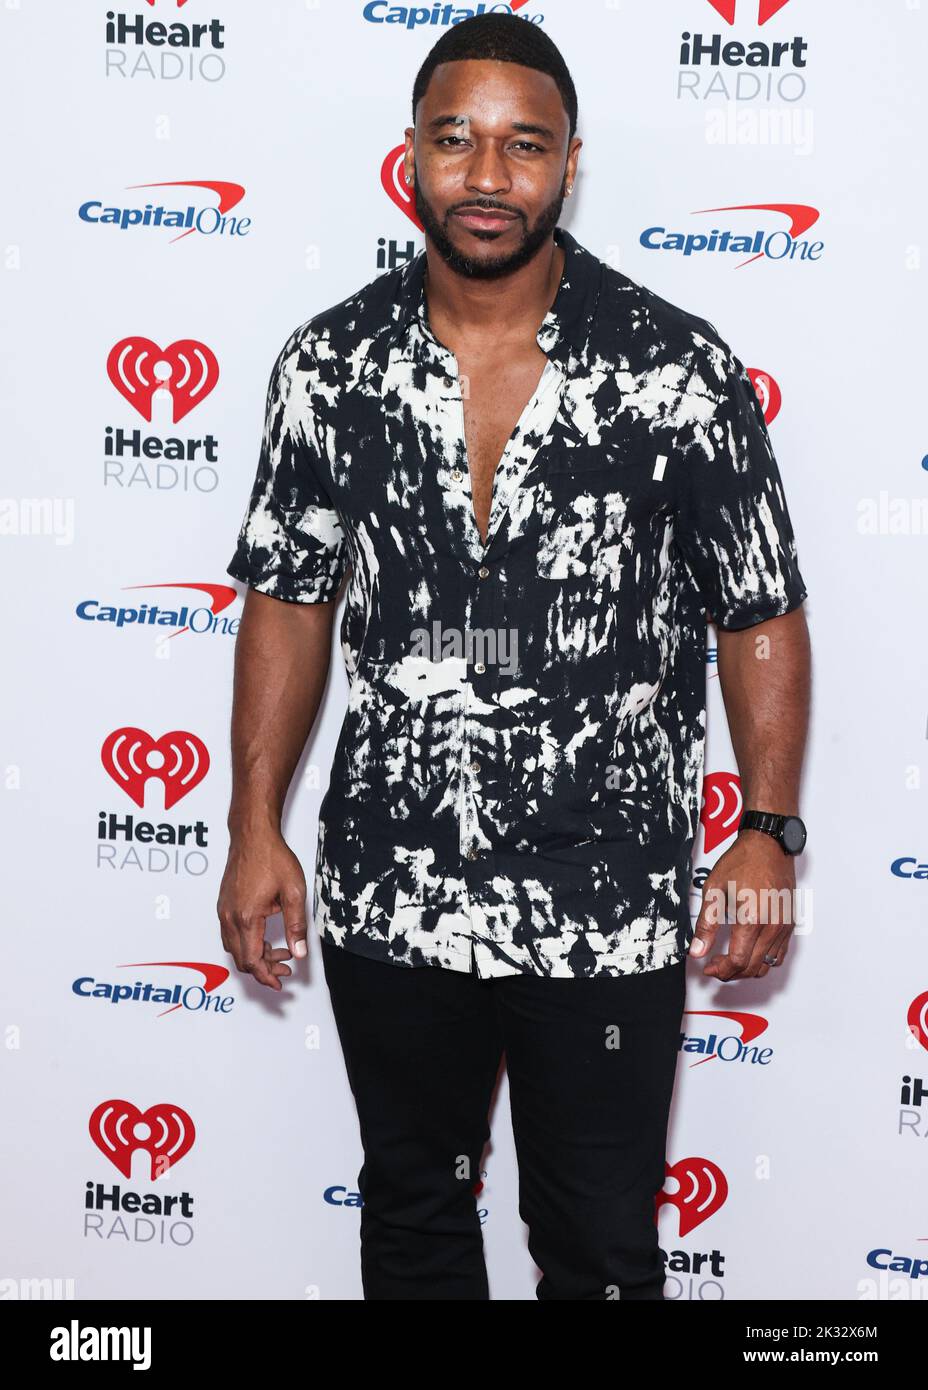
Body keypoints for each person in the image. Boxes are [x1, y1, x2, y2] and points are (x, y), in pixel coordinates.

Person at [217, 13, 811, 1300]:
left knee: (598, 1250)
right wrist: (252, 820)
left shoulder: (677, 367)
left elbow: (757, 607)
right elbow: (287, 598)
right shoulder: (331, 366)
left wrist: (766, 826)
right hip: (393, 886)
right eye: (457, 142)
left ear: (568, 164)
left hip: (602, 906)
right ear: (413, 158)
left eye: (522, 147)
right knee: (413, 1220)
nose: (487, 177)